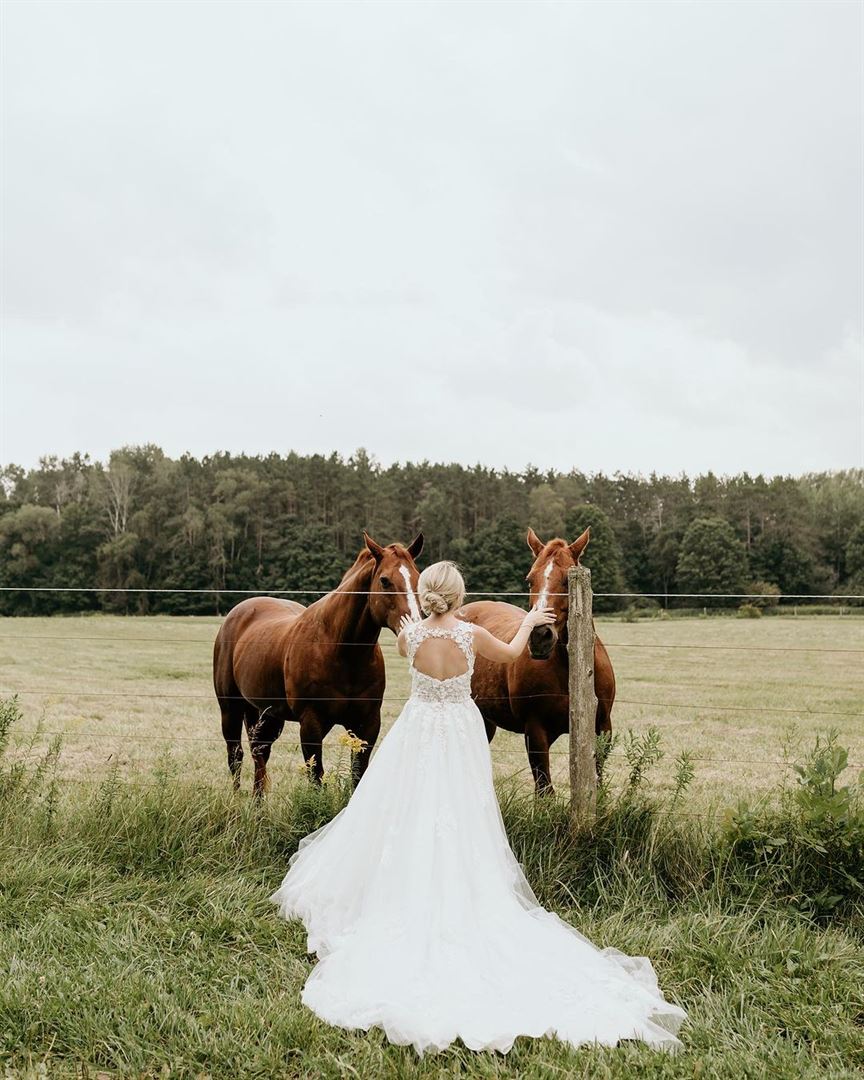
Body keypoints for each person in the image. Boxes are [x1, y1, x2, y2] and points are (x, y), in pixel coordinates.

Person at [270, 560, 686, 1055]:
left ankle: (408, 882)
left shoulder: (409, 639)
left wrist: (413, 619)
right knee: (463, 812)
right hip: (460, 733)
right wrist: (531, 621)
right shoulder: (471, 636)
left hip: (419, 731)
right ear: (461, 595)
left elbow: (405, 636)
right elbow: (512, 654)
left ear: (424, 596)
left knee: (411, 809)